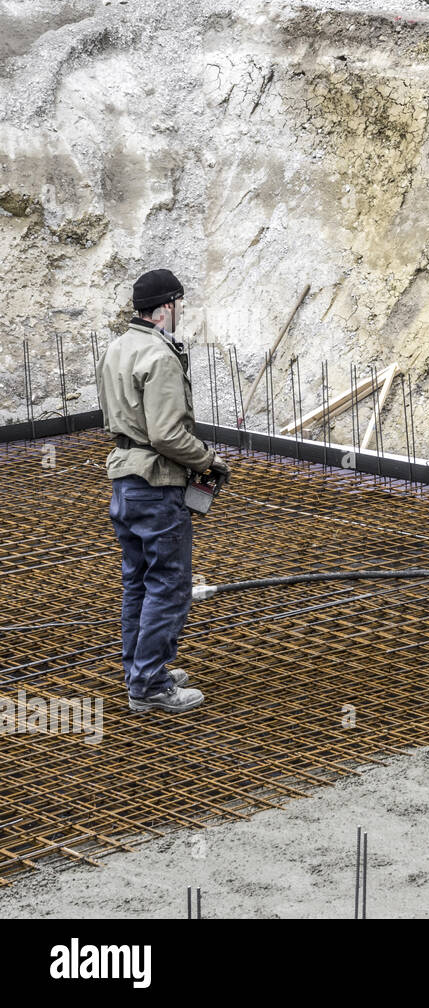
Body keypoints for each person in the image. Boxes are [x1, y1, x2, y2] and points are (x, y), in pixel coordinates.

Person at [96, 269, 230, 711]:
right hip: (156, 484)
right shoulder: (159, 355)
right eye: (180, 306)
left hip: (124, 482)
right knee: (169, 585)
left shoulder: (117, 348)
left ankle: (141, 668)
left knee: (138, 582)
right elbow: (168, 435)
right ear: (168, 307)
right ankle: (150, 685)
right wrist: (208, 461)